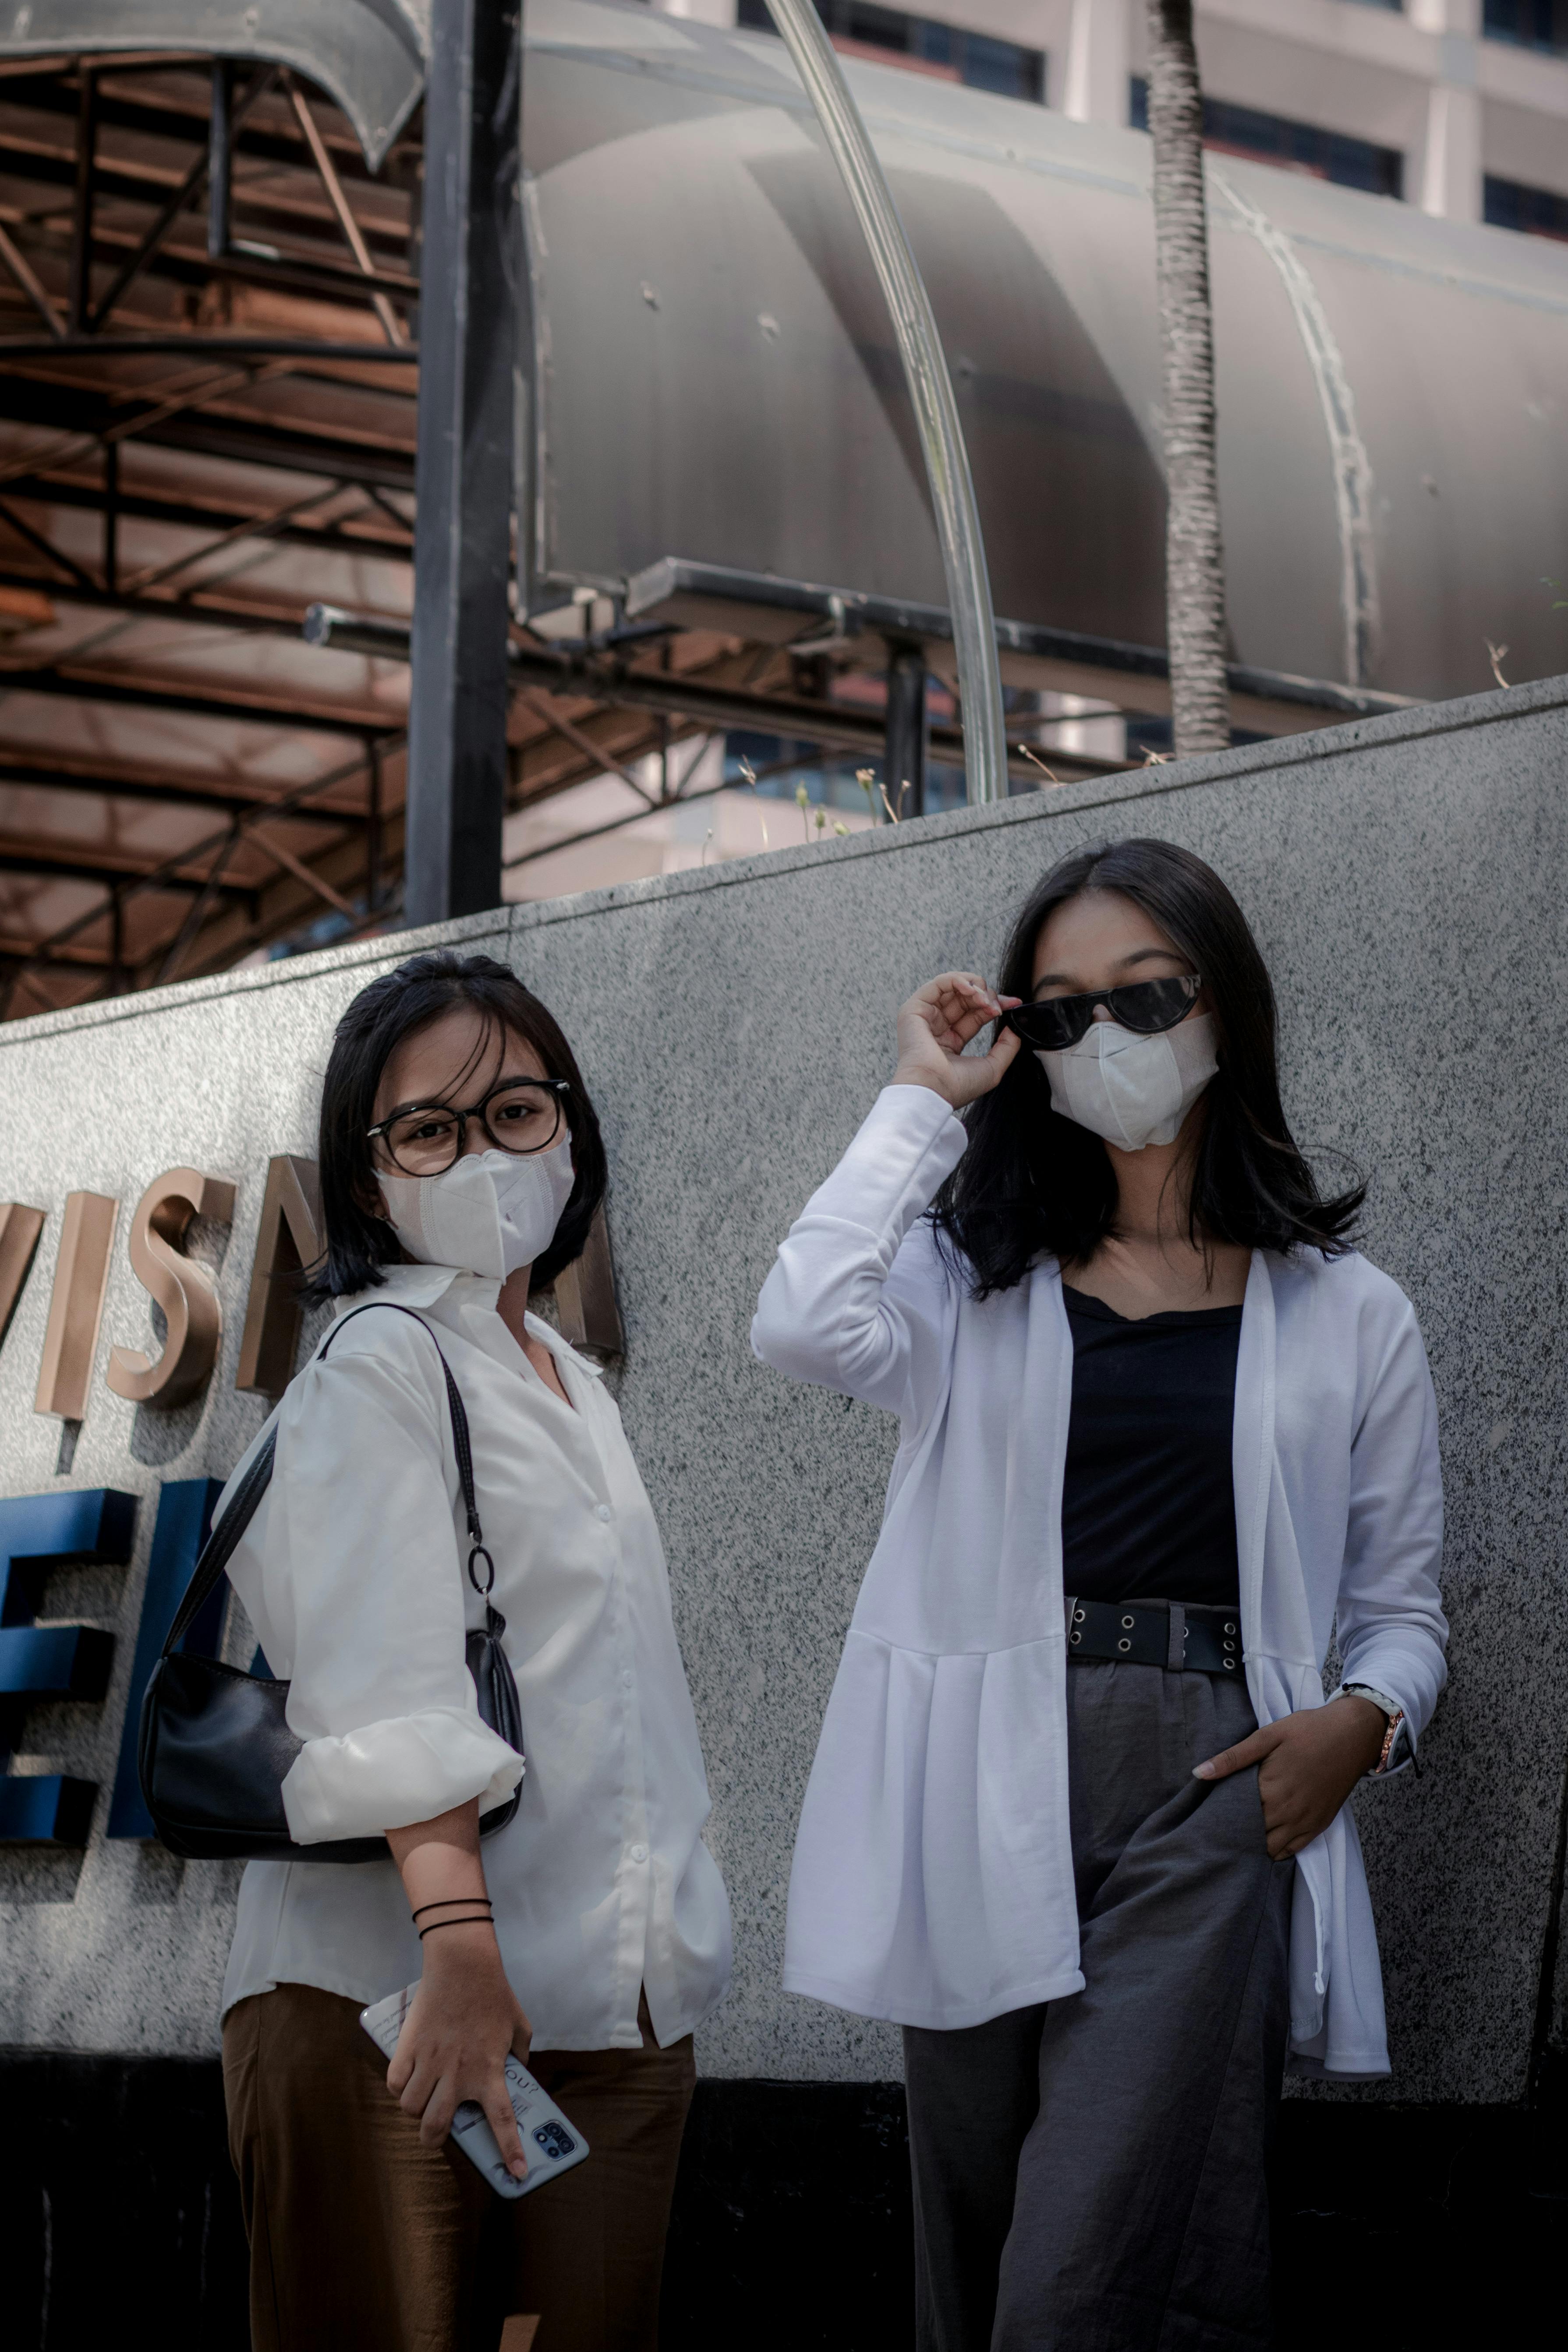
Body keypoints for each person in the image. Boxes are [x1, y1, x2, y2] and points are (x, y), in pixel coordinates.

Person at [751, 838, 1447, 2350]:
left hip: (1213, 1782)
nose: (1099, 1042)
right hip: (977, 1774)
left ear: (1222, 1006)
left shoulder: (1348, 1313)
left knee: (1091, 2270)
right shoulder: (968, 1280)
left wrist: (1365, 1724)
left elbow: (1400, 1609)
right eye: (1055, 1017)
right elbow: (800, 1321)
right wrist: (922, 1102)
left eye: (1141, 999)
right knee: (974, 2241)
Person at [218, 950, 731, 2352]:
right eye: (429, 1128)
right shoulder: (380, 1357)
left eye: (514, 1111)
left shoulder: (568, 1381)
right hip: (401, 1999)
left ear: (567, 1124)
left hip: (602, 2011)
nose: (485, 1151)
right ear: (370, 1177)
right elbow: (382, 1680)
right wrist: (457, 1948)